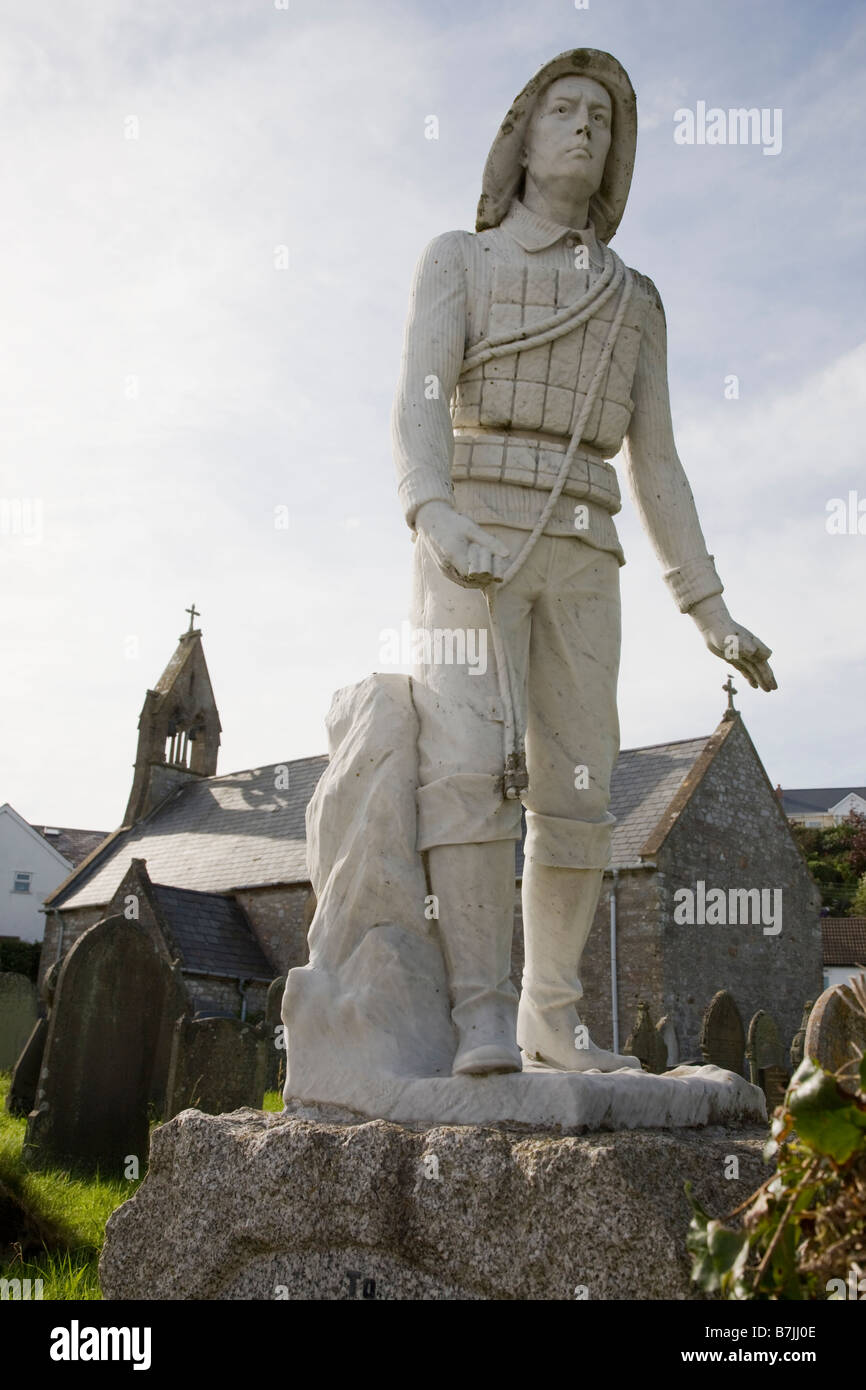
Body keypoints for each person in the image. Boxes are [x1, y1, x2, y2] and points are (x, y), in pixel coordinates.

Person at [391, 50, 776, 1078]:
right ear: (518, 135)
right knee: (468, 767)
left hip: (583, 546)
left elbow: (656, 459)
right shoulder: (455, 262)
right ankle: (477, 1012)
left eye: (600, 121)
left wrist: (707, 606)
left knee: (576, 789)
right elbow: (420, 402)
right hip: (471, 533)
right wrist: (432, 514)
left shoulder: (632, 301)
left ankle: (547, 1018)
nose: (581, 130)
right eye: (560, 110)